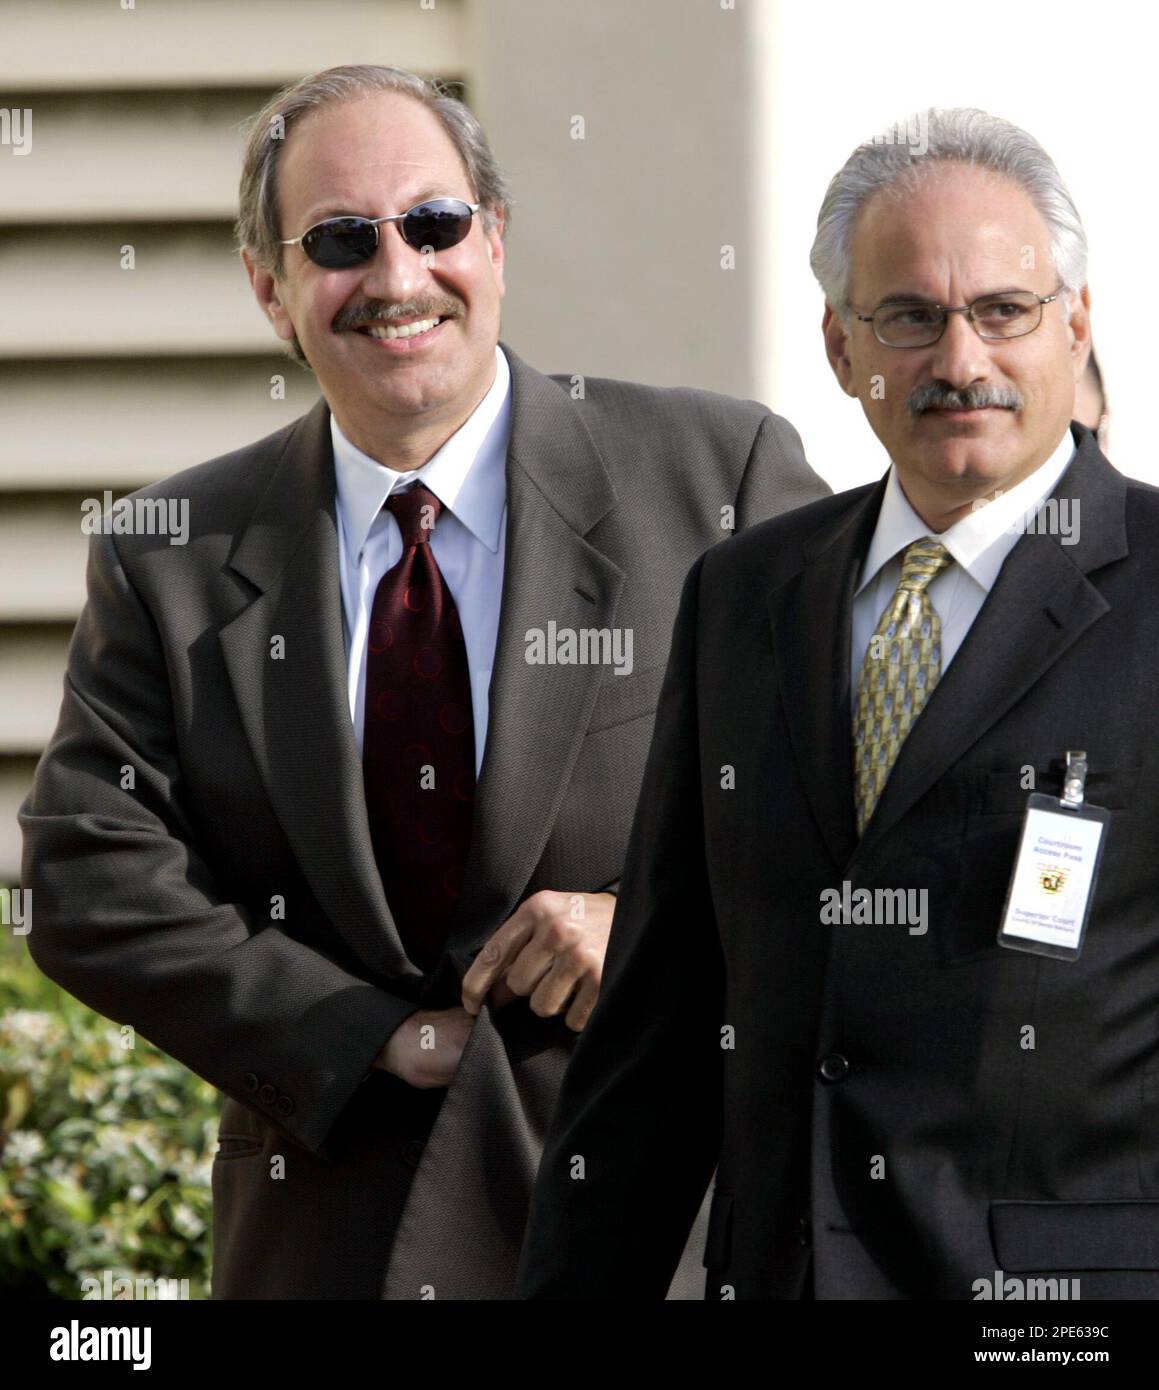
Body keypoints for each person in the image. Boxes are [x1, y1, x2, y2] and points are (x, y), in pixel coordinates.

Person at [18, 64, 826, 1300]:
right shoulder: (167, 549)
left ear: (493, 241)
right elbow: (89, 876)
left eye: (434, 224)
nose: (398, 277)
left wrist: (653, 922)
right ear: (268, 288)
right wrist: (368, 1038)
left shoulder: (717, 471)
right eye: (340, 241)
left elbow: (863, 794)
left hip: (663, 1234)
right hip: (333, 1241)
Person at [516, 106, 1159, 1300]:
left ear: (1076, 324)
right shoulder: (745, 596)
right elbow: (660, 1028)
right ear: (839, 345)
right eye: (908, 318)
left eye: (1003, 312)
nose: (959, 361)